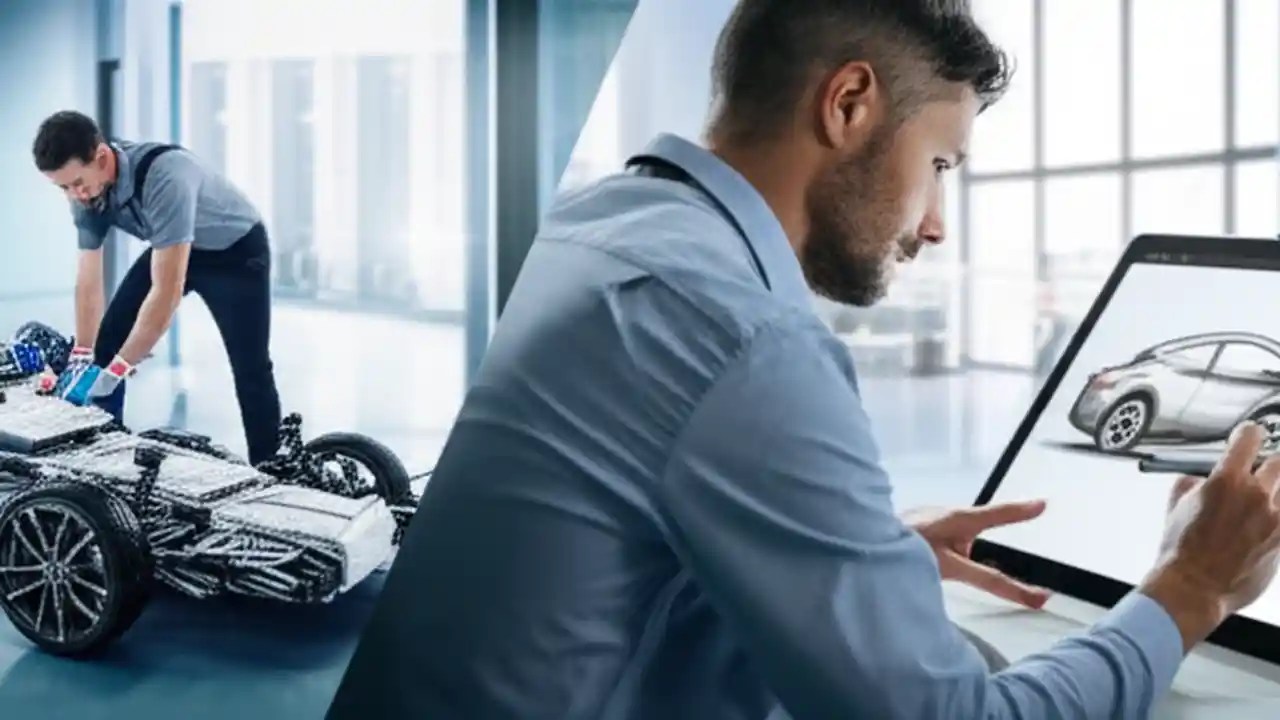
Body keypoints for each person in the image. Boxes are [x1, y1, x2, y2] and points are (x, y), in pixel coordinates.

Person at [328, 1, 1280, 718]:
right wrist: (1190, 588)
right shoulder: (743, 333)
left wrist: (856, 553)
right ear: (851, 103)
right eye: (942, 165)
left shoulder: (595, 231)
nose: (937, 225)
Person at [33, 110, 283, 465]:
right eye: (64, 187)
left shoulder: (166, 176)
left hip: (237, 254)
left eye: (77, 182)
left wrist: (121, 368)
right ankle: (98, 455)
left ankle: (271, 466)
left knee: (250, 366)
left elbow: (166, 292)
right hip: (176, 247)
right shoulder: (87, 196)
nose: (75, 194)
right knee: (107, 345)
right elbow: (88, 281)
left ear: (102, 157)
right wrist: (84, 357)